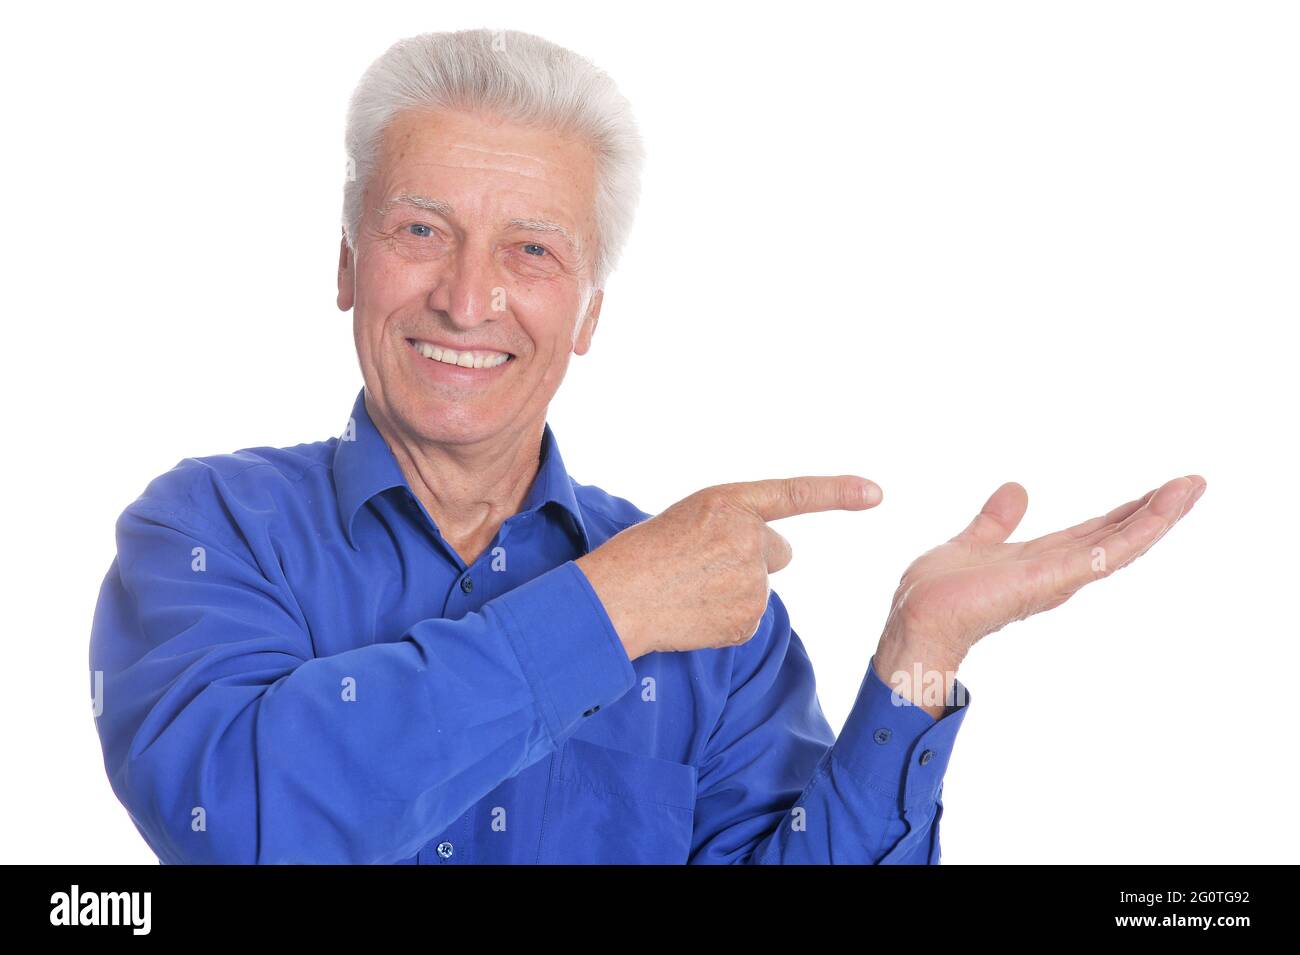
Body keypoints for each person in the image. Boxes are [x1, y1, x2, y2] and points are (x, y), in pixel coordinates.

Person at [89, 28, 1205, 864]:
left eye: (531, 250)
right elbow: (245, 823)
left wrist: (920, 657)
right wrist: (608, 611)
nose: (468, 296)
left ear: (586, 313)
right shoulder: (204, 532)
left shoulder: (717, 609)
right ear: (346, 265)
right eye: (421, 230)